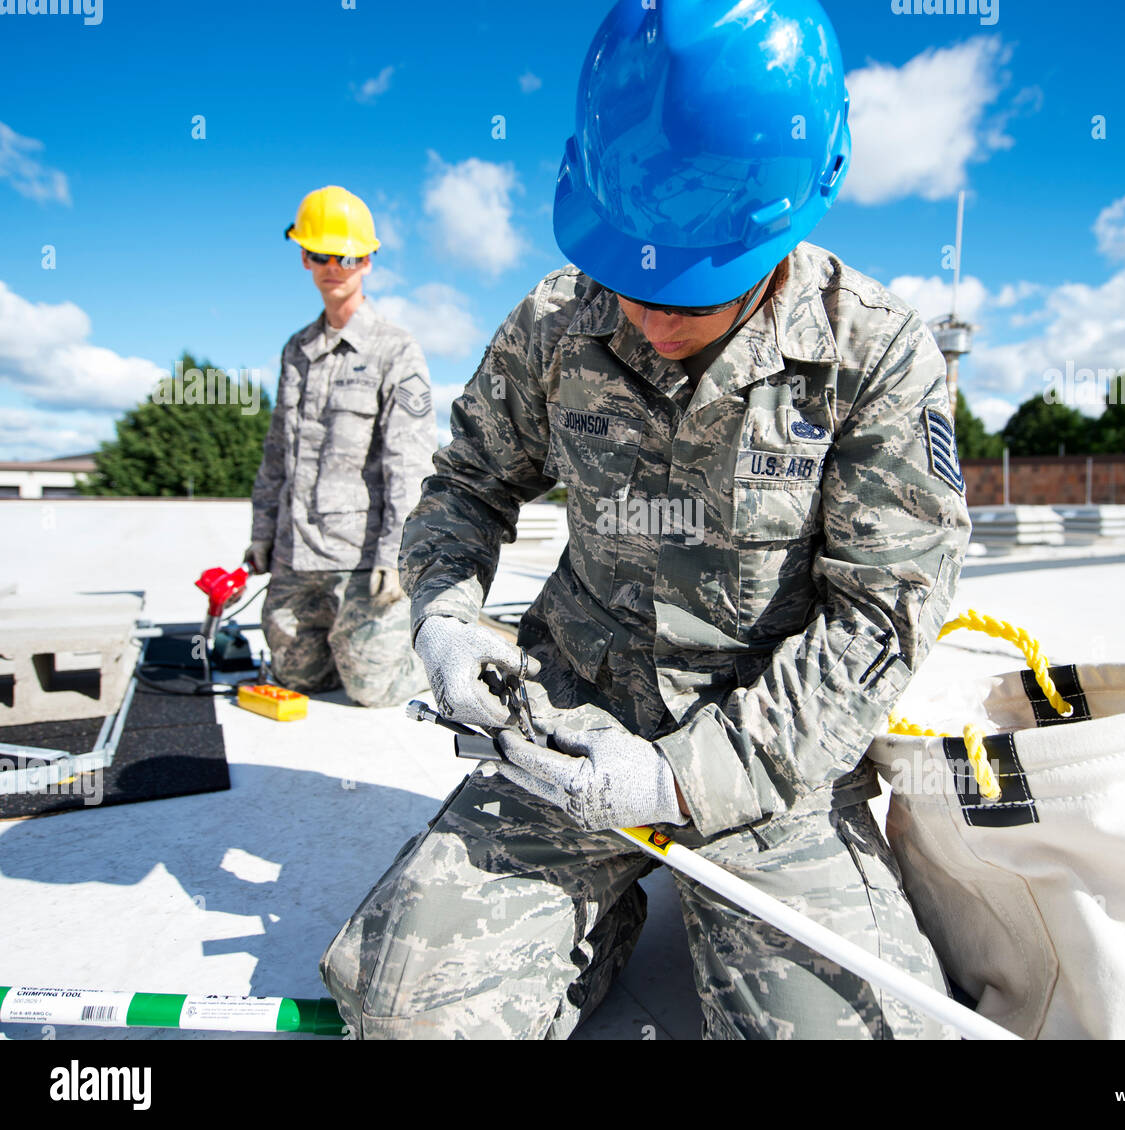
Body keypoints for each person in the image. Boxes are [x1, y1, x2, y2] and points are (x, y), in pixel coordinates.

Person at [321, 0, 972, 1038]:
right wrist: (443, 615)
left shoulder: (876, 357)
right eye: (630, 269)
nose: (651, 310)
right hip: (567, 728)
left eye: (695, 280)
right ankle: (598, 907)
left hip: (769, 761)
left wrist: (679, 776)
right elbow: (465, 485)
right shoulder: (552, 321)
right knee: (406, 1016)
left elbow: (878, 618)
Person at [244, 185, 434, 709]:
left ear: (368, 259)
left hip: (359, 558)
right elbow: (276, 456)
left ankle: (429, 655)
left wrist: (397, 555)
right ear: (304, 256)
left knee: (372, 692)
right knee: (297, 679)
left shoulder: (396, 350)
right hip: (294, 553)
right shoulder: (296, 350)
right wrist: (261, 536)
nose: (333, 266)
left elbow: (409, 463)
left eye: (346, 256)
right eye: (318, 254)